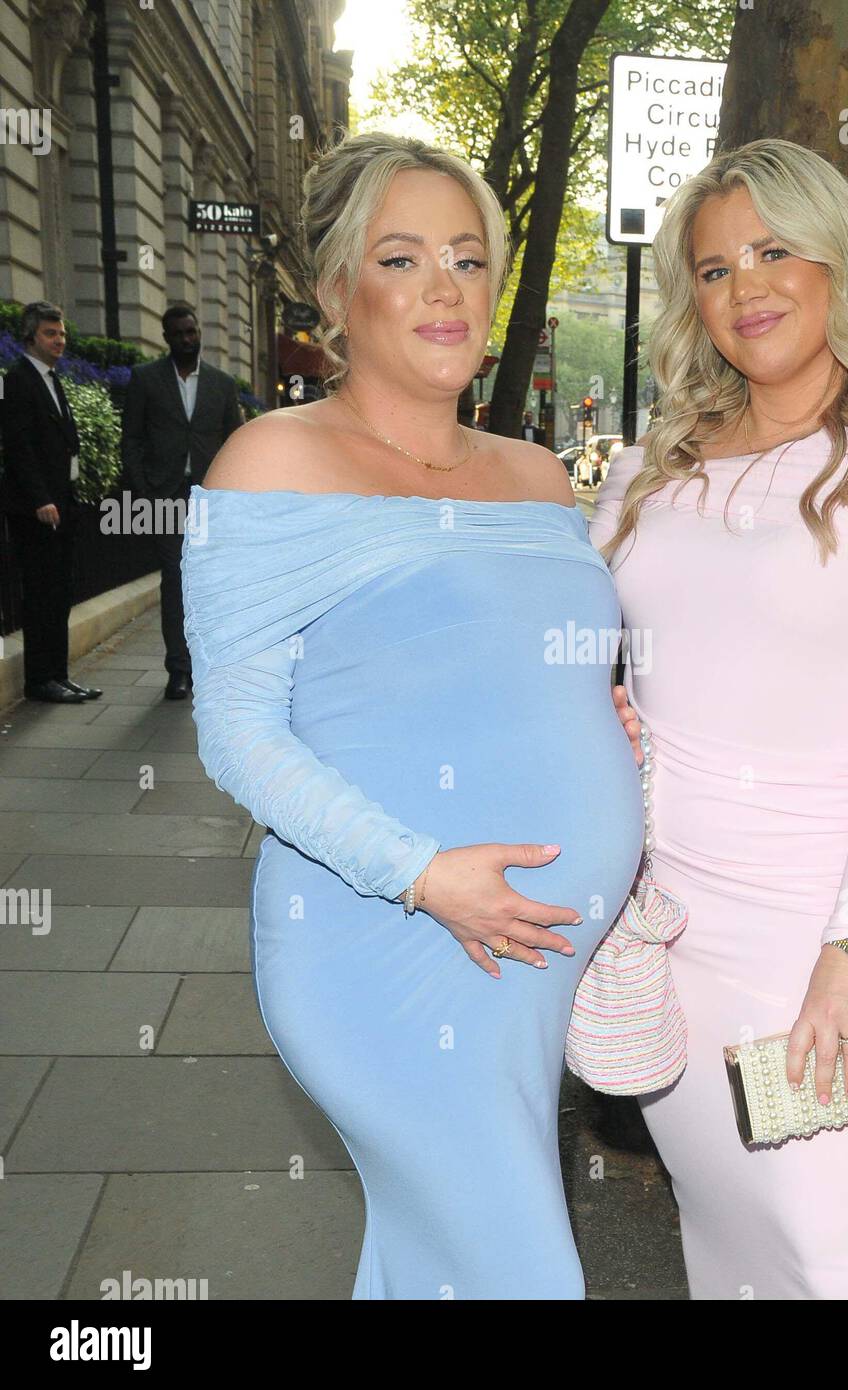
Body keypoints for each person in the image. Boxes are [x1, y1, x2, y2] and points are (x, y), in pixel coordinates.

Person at [181, 131, 645, 1299]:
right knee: (521, 1270)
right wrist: (423, 875)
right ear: (337, 290)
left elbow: (538, 661)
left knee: (436, 1261)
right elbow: (236, 732)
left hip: (532, 959)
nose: (444, 287)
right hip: (382, 940)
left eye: (468, 257)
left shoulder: (540, 476)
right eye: (400, 258)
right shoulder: (271, 460)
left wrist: (603, 713)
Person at [590, 138, 848, 1300]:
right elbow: (608, 651)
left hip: (811, 926)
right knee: (721, 1235)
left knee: (831, 1256)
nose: (746, 287)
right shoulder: (657, 464)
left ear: (838, 261)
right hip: (661, 914)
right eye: (714, 268)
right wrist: (609, 711)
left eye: (774, 250)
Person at [121, 304, 241, 700]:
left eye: (191, 332)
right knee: (175, 580)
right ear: (166, 338)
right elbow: (132, 439)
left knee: (209, 582)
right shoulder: (146, 379)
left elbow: (236, 443)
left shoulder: (222, 385)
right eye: (178, 334)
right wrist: (143, 489)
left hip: (210, 497)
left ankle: (210, 663)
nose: (187, 340)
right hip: (164, 496)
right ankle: (179, 669)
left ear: (198, 332)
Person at [0, 301, 101, 703]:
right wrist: (40, 498)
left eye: (61, 333)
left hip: (62, 503)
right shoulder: (19, 379)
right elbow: (18, 446)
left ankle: (59, 674)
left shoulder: (50, 378)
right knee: (41, 595)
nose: (59, 340)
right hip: (36, 510)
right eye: (50, 333)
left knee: (59, 593)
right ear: (30, 337)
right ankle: (40, 679)